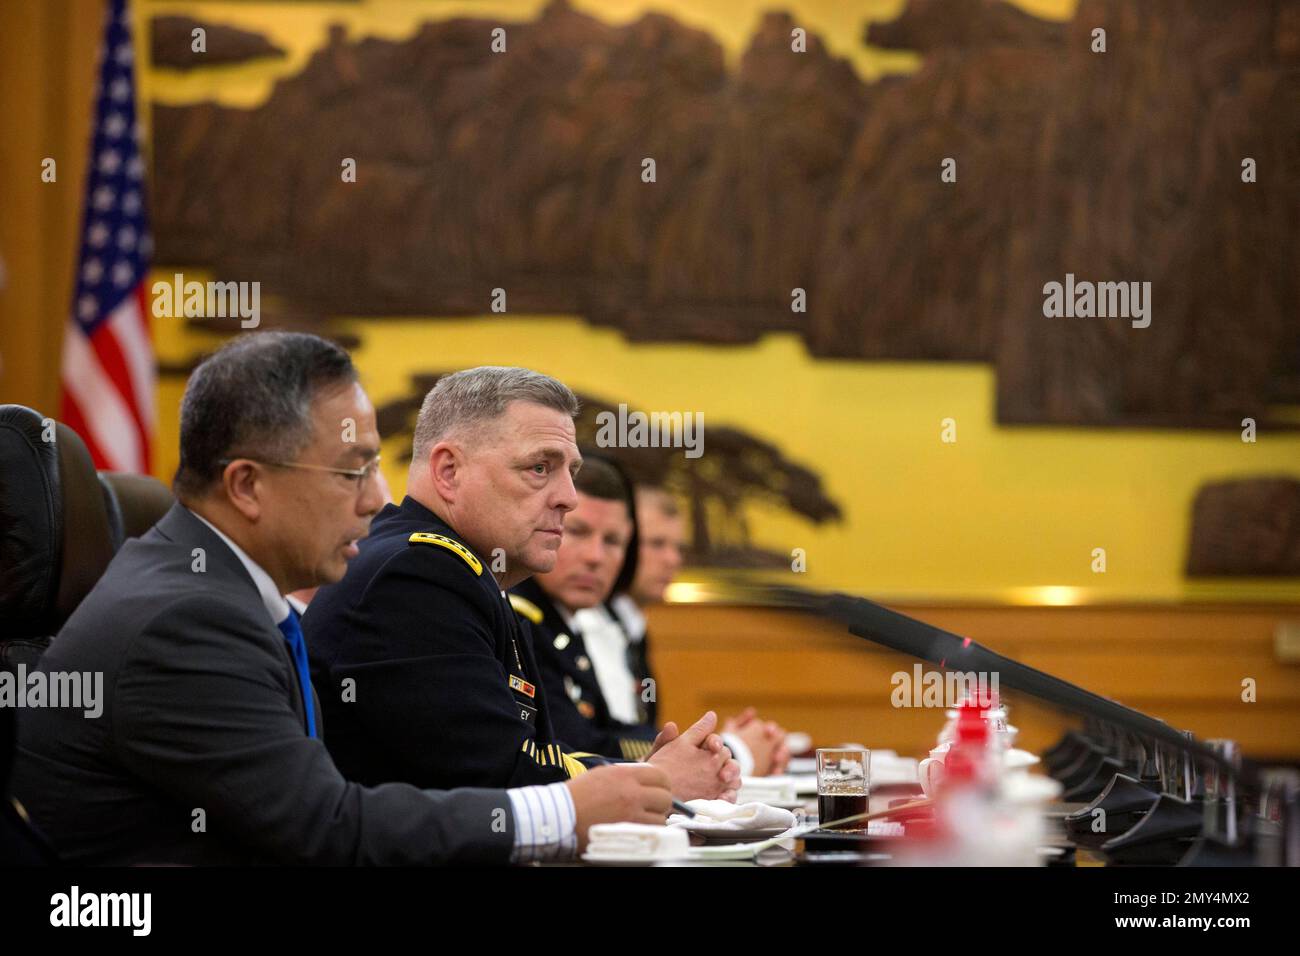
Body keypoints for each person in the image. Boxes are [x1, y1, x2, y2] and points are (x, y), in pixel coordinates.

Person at [12, 333, 668, 864]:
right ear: (247, 486)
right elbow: (327, 831)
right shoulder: (186, 620)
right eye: (351, 470)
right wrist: (566, 812)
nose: (377, 500)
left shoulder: (218, 593)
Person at [305, 366, 739, 800]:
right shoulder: (416, 575)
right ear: (449, 471)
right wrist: (657, 782)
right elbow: (500, 778)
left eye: (571, 470)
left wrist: (645, 771)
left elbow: (536, 754)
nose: (568, 496)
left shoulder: (465, 574)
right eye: (539, 467)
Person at [514, 460, 789, 775]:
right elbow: (577, 746)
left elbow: (610, 731)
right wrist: (726, 751)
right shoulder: (524, 617)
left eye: (613, 541)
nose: (595, 557)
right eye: (577, 532)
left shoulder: (572, 623)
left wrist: (707, 747)